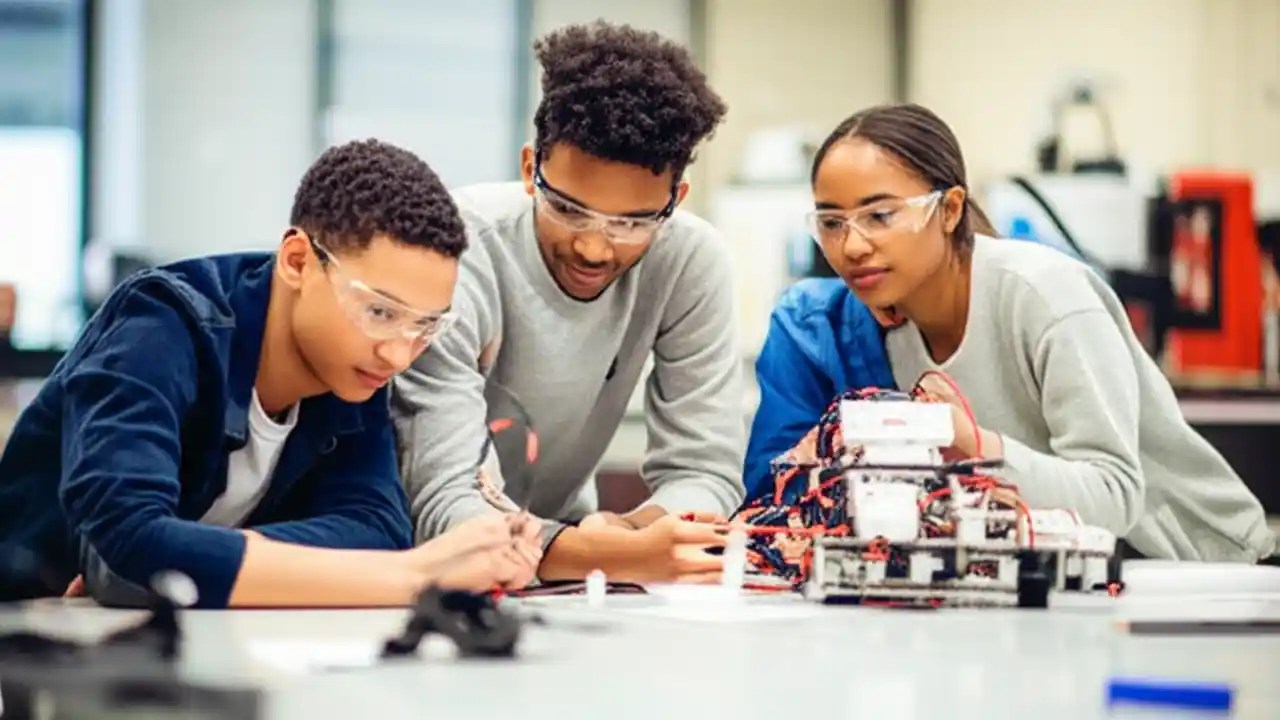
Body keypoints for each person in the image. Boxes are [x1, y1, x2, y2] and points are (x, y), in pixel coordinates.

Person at [0, 139, 538, 608]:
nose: (399, 355)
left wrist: (185, 561)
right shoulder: (161, 325)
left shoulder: (353, 367)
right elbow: (131, 538)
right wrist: (414, 576)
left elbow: (375, 527)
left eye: (425, 326)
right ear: (298, 261)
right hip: (29, 629)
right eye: (380, 311)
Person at [745, 103, 1276, 563]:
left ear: (950, 210)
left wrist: (973, 444)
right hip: (1060, 577)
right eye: (832, 223)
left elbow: (1115, 497)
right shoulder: (878, 322)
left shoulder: (1044, 294)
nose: (853, 246)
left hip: (1195, 569)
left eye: (881, 215)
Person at [394, 21, 743, 586]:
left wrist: (637, 533)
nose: (594, 245)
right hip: (431, 573)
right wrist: (612, 555)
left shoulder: (692, 260)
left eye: (632, 222)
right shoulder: (455, 249)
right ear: (531, 168)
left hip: (563, 562)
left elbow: (705, 470)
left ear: (675, 200)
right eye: (570, 210)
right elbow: (444, 506)